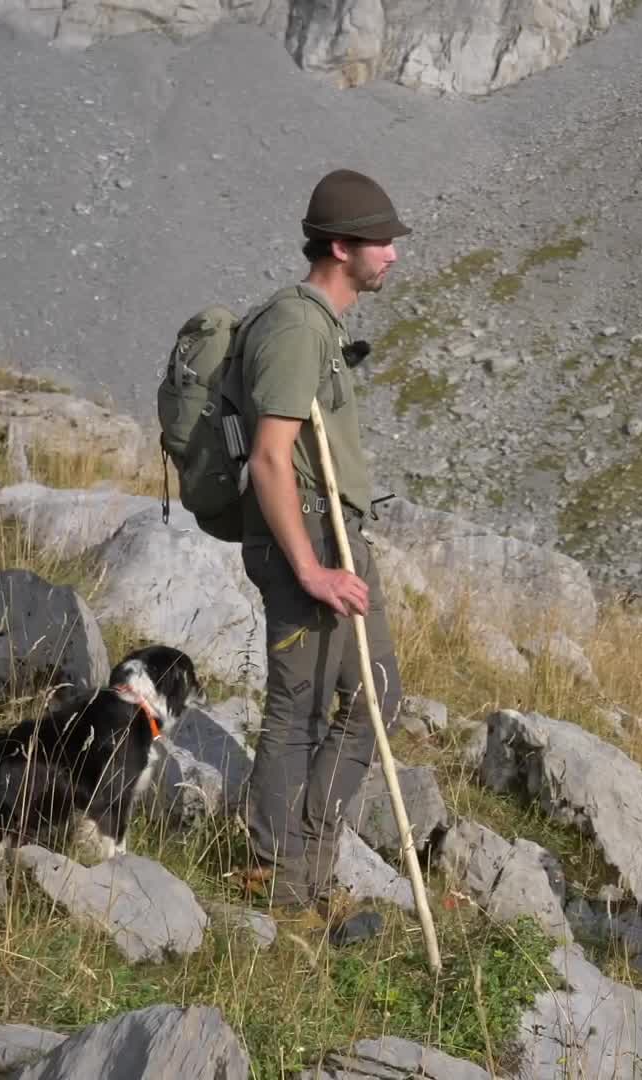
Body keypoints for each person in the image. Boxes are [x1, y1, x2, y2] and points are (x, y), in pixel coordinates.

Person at [233, 168, 408, 910]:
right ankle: (281, 881)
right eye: (380, 242)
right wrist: (309, 570)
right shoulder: (297, 326)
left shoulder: (322, 328)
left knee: (377, 697)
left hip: (337, 531)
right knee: (297, 710)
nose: (392, 255)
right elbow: (271, 456)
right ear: (340, 246)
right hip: (304, 538)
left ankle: (307, 859)